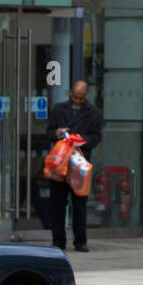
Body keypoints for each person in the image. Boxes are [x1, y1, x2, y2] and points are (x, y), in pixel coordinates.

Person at [44, 80, 103, 252]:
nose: (77, 101)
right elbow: (48, 132)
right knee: (57, 203)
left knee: (79, 204)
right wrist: (57, 133)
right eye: (74, 97)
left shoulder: (94, 113)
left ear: (85, 97)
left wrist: (81, 141)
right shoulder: (58, 109)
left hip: (79, 164)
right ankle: (58, 240)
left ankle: (80, 241)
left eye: (80, 98)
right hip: (61, 163)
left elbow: (96, 137)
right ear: (70, 93)